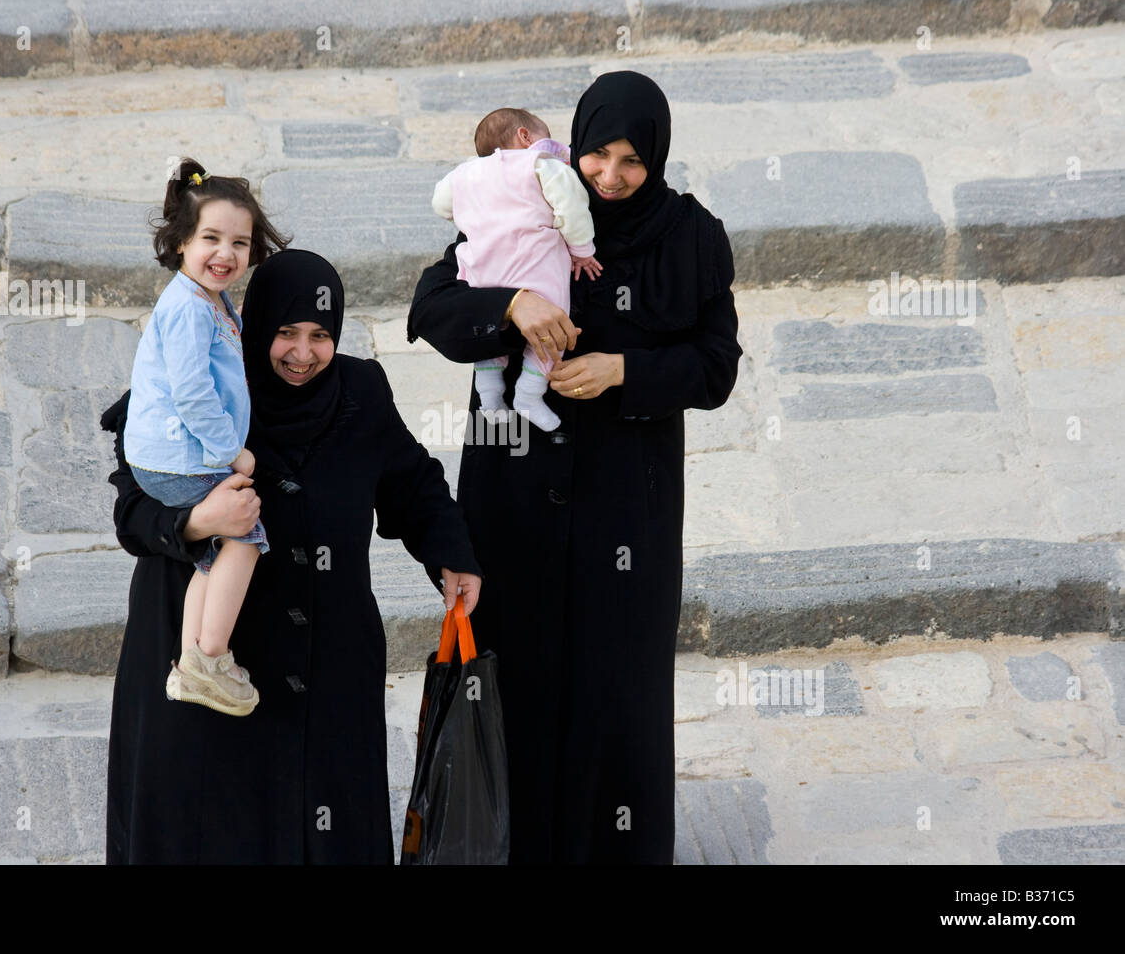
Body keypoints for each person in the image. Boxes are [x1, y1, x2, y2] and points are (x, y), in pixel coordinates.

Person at [407, 70, 743, 863]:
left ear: (656, 159)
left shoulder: (693, 237)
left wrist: (623, 372)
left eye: (632, 161)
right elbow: (431, 310)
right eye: (598, 156)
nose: (612, 176)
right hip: (513, 500)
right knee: (513, 686)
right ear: (575, 146)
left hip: (626, 510)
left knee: (615, 693)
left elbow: (716, 366)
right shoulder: (531, 198)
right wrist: (509, 307)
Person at [102, 248, 483, 863]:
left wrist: (451, 554)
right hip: (209, 667)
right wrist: (200, 520)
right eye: (284, 333)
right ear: (254, 326)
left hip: (326, 666)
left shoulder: (361, 391)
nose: (302, 354)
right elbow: (132, 513)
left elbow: (411, 481)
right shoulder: (185, 384)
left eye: (320, 336)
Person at [124, 158, 280, 716]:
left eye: (239, 243)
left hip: (172, 453)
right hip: (180, 456)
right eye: (210, 238)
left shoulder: (209, 298)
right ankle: (212, 656)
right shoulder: (188, 308)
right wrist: (231, 454)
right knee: (243, 534)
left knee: (209, 556)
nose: (226, 253)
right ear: (182, 241)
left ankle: (190, 662)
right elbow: (192, 394)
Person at [431, 107, 601, 432]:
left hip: (482, 273)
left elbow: (440, 204)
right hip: (536, 269)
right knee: (554, 328)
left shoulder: (464, 173)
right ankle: (528, 394)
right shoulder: (540, 164)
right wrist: (582, 251)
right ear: (526, 137)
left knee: (490, 331)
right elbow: (571, 206)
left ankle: (490, 397)